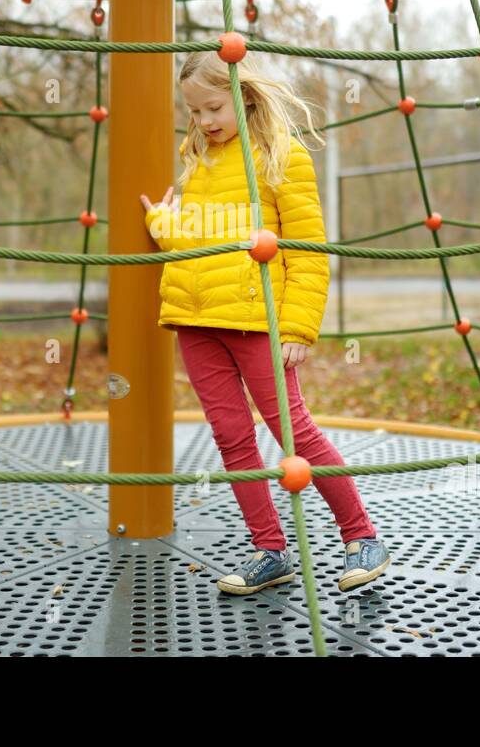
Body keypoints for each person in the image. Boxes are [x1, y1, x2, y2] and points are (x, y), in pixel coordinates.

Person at [140, 49, 390, 596]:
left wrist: (299, 328)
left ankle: (361, 535)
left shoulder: (280, 157)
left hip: (259, 321)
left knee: (291, 430)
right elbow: (200, 240)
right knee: (230, 436)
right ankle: (270, 550)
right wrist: (164, 223)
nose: (205, 121)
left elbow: (308, 251)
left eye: (213, 107)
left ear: (242, 94)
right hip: (196, 318)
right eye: (195, 111)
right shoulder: (199, 160)